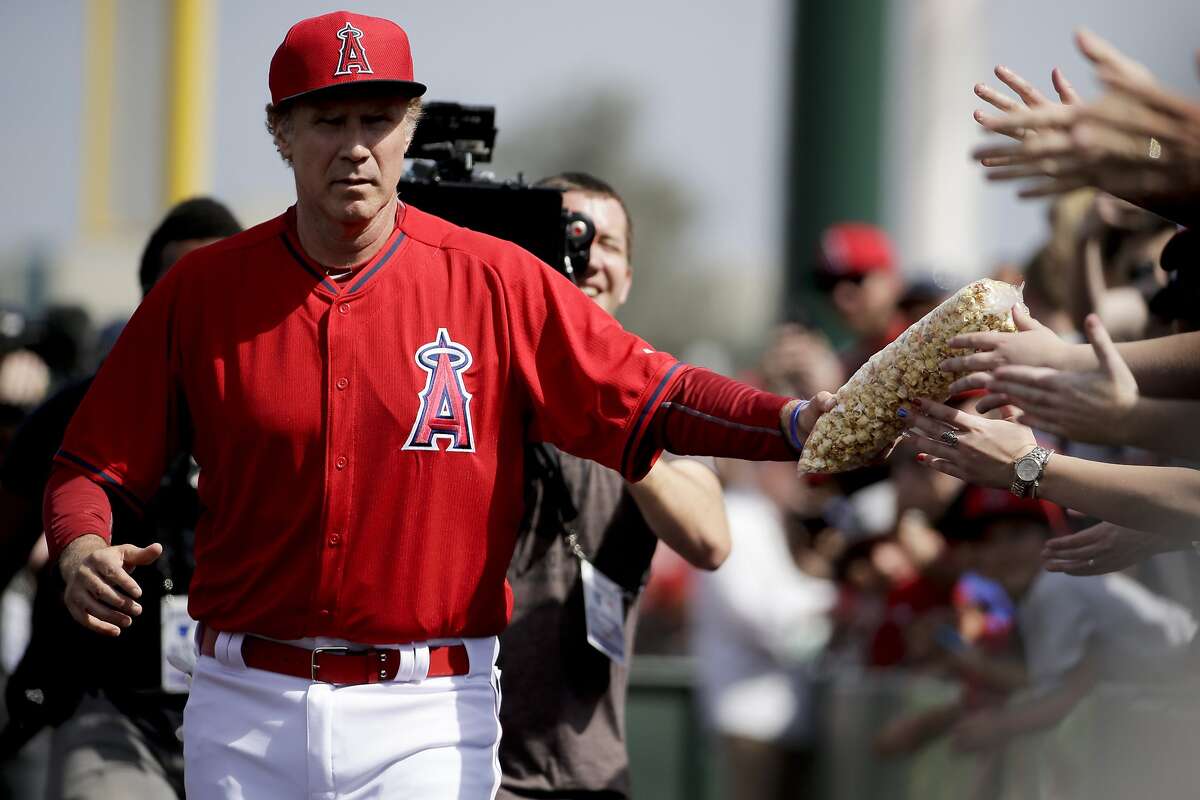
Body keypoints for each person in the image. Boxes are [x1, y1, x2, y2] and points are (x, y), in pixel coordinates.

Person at [42, 12, 834, 799]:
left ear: (410, 126)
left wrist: (792, 423)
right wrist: (81, 546)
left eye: (379, 119)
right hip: (245, 700)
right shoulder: (204, 291)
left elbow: (656, 392)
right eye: (329, 120)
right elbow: (90, 463)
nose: (356, 145)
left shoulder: (497, 280)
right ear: (280, 131)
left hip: (425, 711)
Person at [497, 172, 730, 800]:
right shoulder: (467, 377)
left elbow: (710, 540)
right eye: (571, 235)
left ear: (627, 277)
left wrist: (618, 435)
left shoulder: (656, 398)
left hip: (587, 776)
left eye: (609, 244)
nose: (589, 257)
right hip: (457, 768)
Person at [0, 197, 241, 799]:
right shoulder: (72, 415)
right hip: (108, 707)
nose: (201, 308)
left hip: (257, 703)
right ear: (148, 302)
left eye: (220, 288)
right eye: (181, 288)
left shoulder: (286, 413)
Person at [812, 222, 907, 374]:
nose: (839, 298)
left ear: (892, 280)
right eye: (828, 283)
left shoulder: (931, 335)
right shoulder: (846, 362)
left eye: (856, 279)